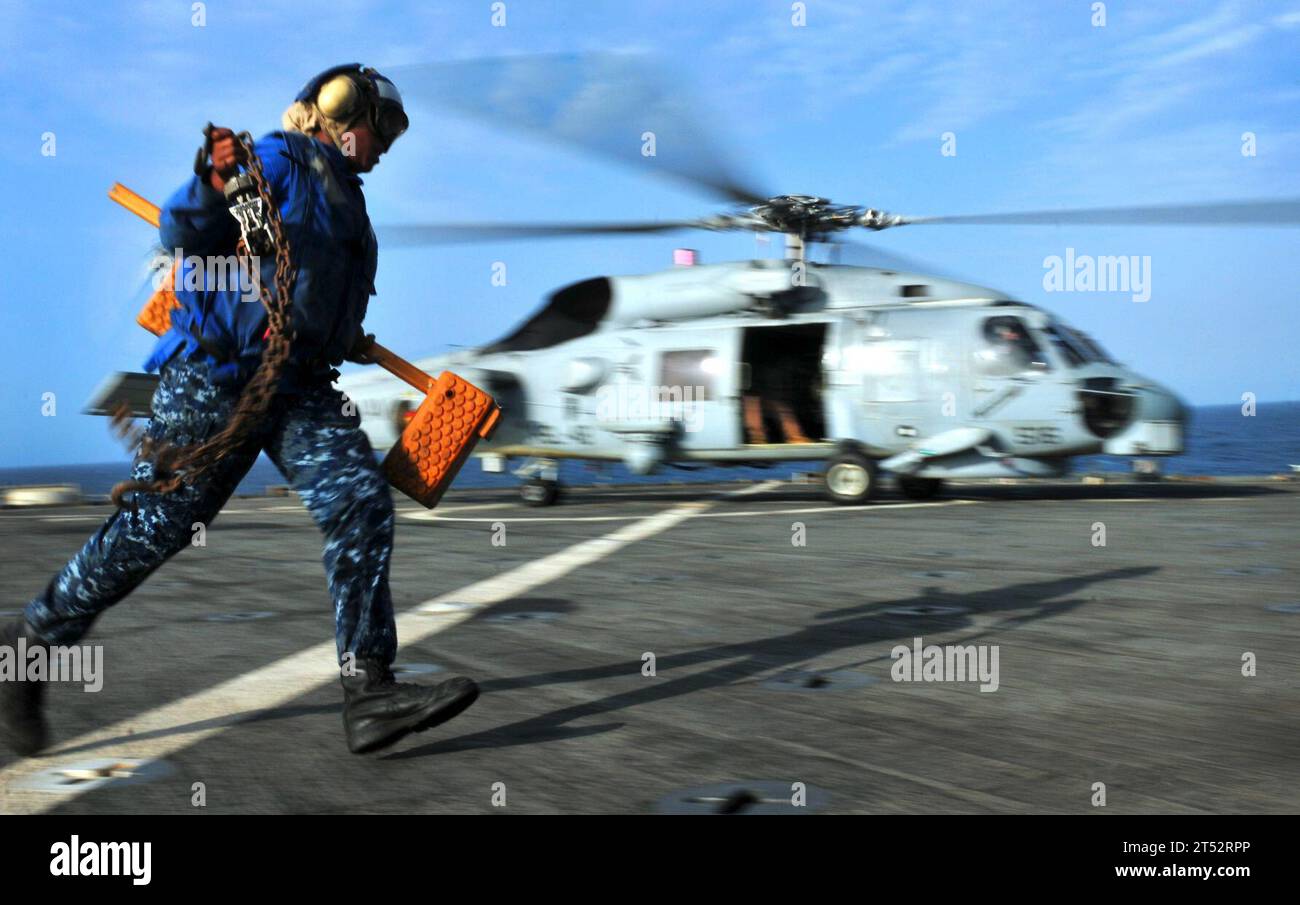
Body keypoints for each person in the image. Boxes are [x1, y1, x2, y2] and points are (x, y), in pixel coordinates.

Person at [0, 64, 479, 758]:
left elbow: (313, 298)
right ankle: (33, 638)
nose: (387, 145)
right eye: (382, 127)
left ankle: (369, 690)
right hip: (216, 376)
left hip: (299, 385)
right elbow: (182, 228)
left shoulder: (350, 202)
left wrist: (345, 333)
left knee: (360, 500)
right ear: (338, 111)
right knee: (155, 530)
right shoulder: (276, 159)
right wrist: (207, 181)